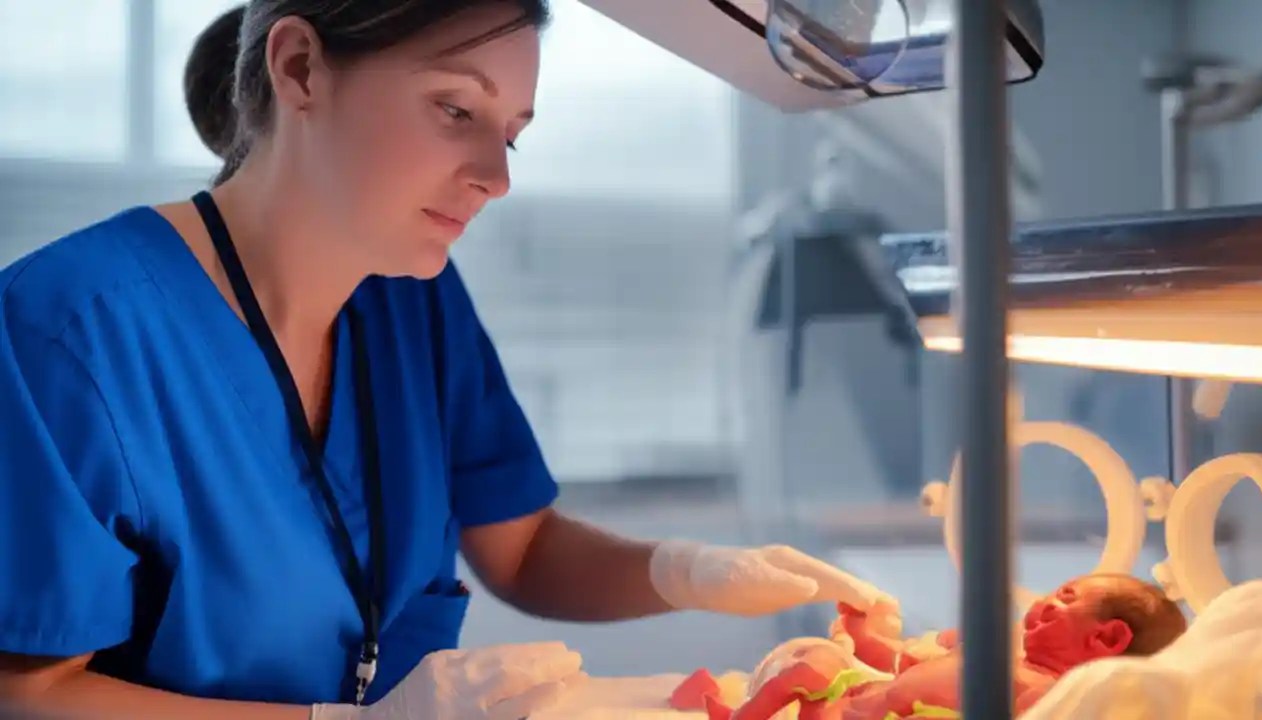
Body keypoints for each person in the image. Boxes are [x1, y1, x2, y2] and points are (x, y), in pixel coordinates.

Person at [0, 2, 895, 719]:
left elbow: (524, 550)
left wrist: (689, 572)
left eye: (510, 133)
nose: (496, 177)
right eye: (455, 110)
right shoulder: (68, 331)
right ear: (300, 68)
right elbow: (27, 691)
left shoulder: (410, 295)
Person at [830, 574, 1188, 718]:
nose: (1046, 597)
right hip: (857, 704)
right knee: (812, 665)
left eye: (1067, 595)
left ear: (1105, 638)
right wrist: (861, 633)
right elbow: (900, 660)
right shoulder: (995, 650)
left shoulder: (1047, 695)